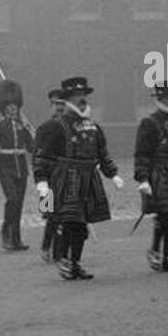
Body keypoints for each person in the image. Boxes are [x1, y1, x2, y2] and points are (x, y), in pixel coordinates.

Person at [33, 76, 122, 281]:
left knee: (80, 225)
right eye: (76, 96)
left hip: (88, 180)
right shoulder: (52, 127)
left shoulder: (93, 127)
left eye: (83, 95)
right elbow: (41, 156)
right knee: (55, 217)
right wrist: (42, 182)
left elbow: (102, 153)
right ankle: (57, 255)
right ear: (66, 101)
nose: (81, 99)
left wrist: (113, 174)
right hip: (64, 180)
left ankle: (74, 262)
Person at [134, 82, 168, 271]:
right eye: (167, 96)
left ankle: (162, 253)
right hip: (159, 173)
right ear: (158, 98)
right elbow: (142, 153)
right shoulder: (149, 122)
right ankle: (159, 253)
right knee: (167, 214)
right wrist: (143, 178)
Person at [0, 80, 35, 252]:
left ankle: (16, 239)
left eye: (15, 106)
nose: (12, 109)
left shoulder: (23, 124)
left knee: (19, 203)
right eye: (9, 106)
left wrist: (30, 130)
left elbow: (31, 147)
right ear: (4, 108)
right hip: (5, 166)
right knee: (12, 199)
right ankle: (6, 230)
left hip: (21, 166)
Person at [34, 88, 66, 264]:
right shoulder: (44, 128)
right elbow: (37, 155)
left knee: (65, 214)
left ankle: (60, 251)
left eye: (61, 104)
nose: (58, 107)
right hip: (49, 177)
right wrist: (40, 181)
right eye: (55, 104)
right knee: (51, 216)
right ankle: (46, 246)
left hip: (67, 177)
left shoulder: (71, 126)